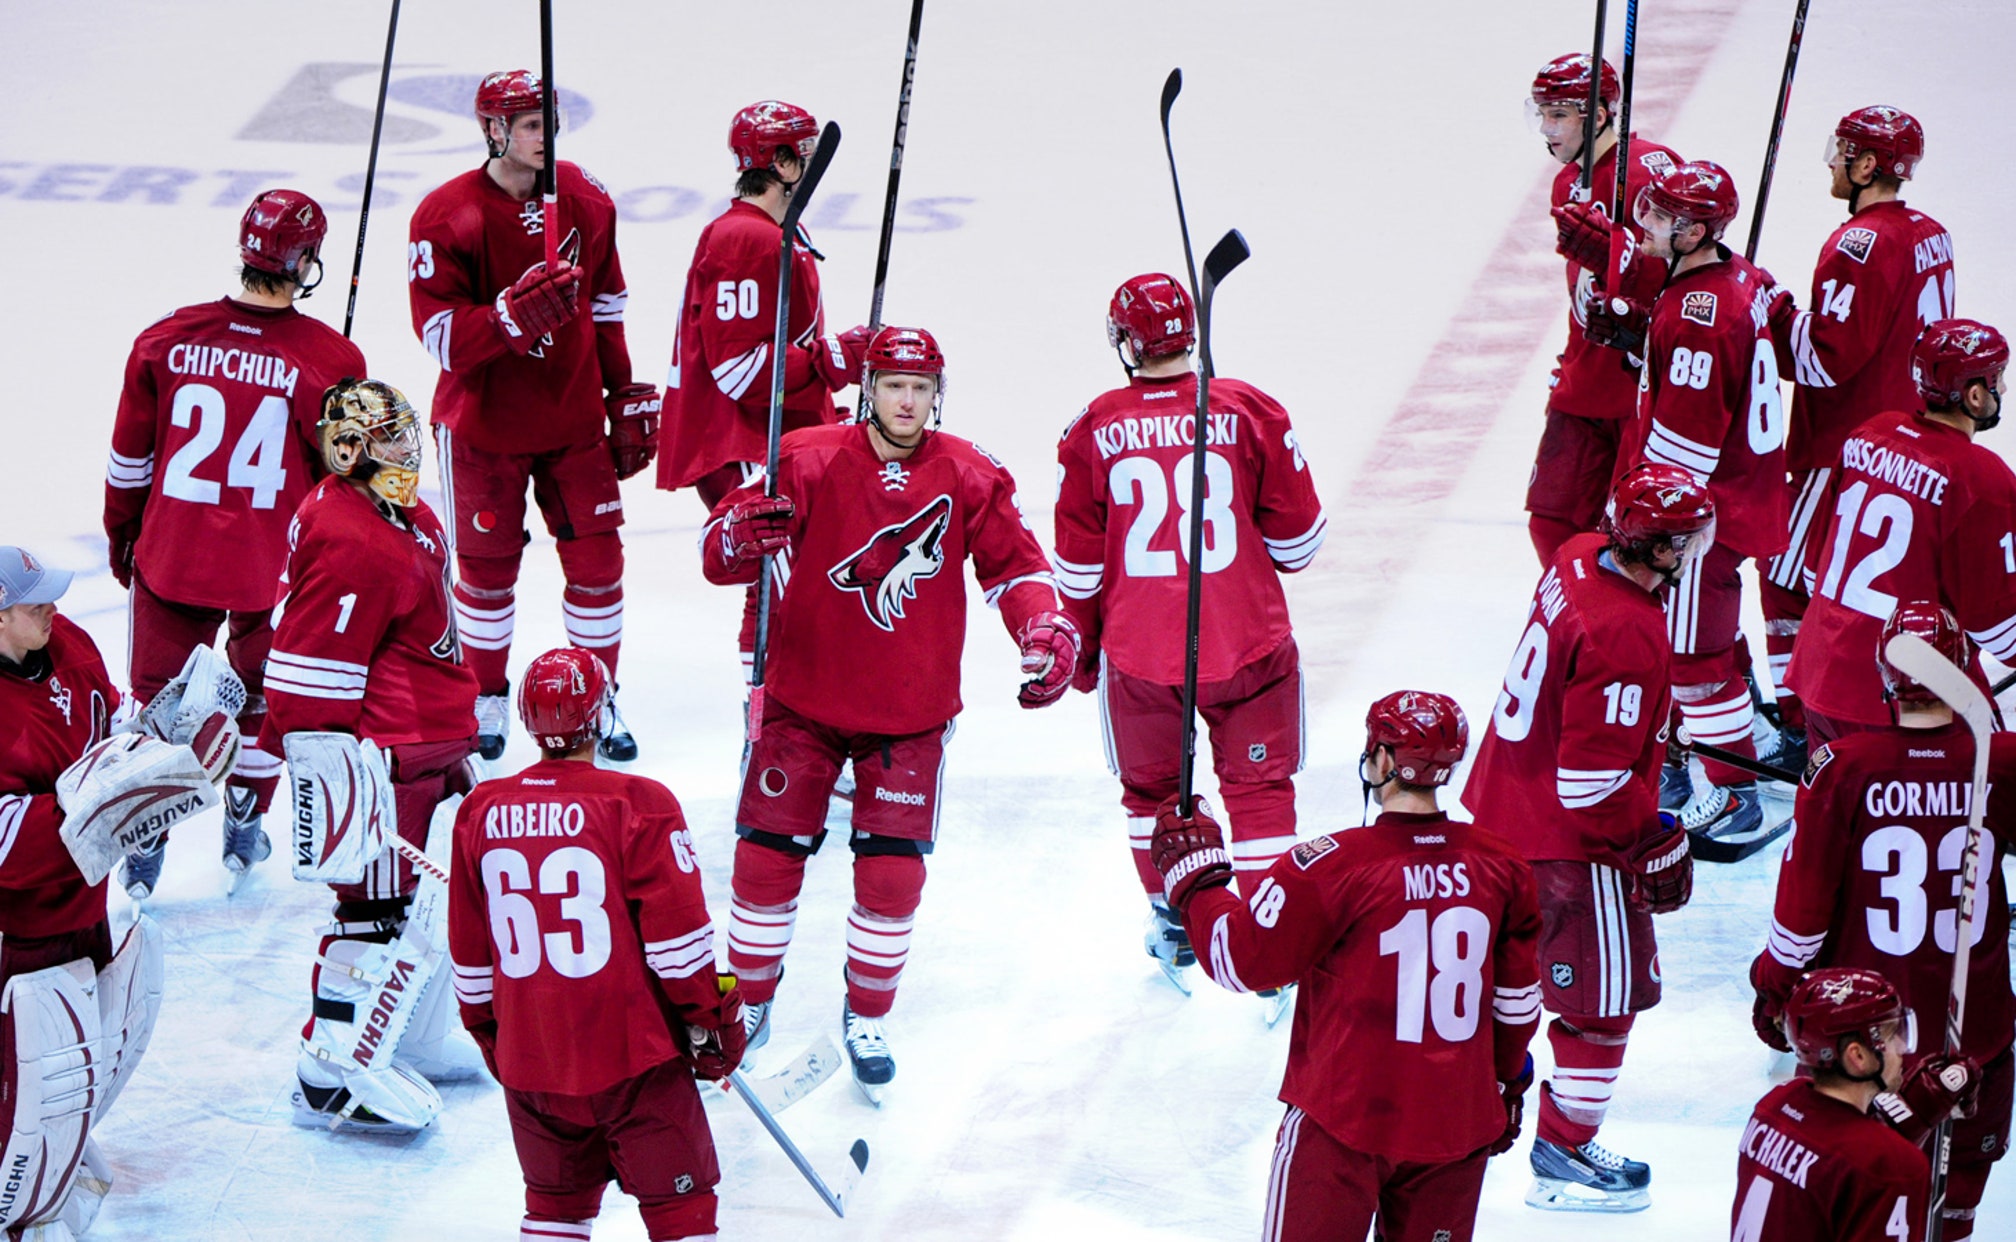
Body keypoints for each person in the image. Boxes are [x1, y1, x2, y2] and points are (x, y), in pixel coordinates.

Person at [701, 326, 1077, 1100]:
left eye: (920, 387)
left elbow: (1017, 570)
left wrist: (1044, 626)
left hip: (910, 714)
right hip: (803, 702)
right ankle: (750, 1002)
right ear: (868, 389)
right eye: (894, 385)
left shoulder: (969, 472)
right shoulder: (804, 456)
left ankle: (867, 1014)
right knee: (764, 860)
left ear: (937, 393)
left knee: (892, 876)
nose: (907, 401)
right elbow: (716, 554)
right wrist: (738, 534)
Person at [1149, 691, 1541, 1242]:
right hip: (1455, 1124)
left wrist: (1198, 881)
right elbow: (1517, 1003)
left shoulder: (1329, 867)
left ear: (1383, 759)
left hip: (1342, 1122)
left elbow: (1239, 961)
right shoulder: (1504, 864)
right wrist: (1505, 1083)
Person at [1052, 272, 1326, 994]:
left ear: (1125, 343)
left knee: (1153, 794)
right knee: (1260, 789)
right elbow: (1299, 546)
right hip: (1249, 642)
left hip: (1141, 652)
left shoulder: (1092, 427)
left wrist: (1083, 650)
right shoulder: (1248, 407)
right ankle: (1270, 945)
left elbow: (1078, 573)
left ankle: (1175, 927)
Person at [1461, 462, 1711, 1212]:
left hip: (1503, 805)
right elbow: (1591, 783)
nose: (1696, 550)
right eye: (1686, 540)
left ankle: (1470, 1120)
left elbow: (1579, 694)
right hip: (1568, 845)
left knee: (1505, 986)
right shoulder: (1625, 628)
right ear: (1658, 548)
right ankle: (1564, 1151)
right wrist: (1655, 837)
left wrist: (1653, 728)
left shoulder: (1578, 554)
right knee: (1602, 1002)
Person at [103, 188, 366, 899]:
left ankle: (145, 839)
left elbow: (130, 461)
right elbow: (342, 480)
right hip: (269, 567)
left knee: (156, 703)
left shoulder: (166, 338)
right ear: (305, 261)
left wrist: (123, 534)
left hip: (173, 556)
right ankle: (245, 817)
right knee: (263, 698)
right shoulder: (330, 358)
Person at [450, 647, 743, 1241]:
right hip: (634, 1062)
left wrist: (500, 1044)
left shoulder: (481, 809)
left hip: (532, 1062)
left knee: (555, 1212)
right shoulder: (638, 804)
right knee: (682, 1213)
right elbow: (679, 950)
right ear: (601, 714)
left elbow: (470, 957)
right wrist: (713, 1024)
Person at [408, 68, 654, 763]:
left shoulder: (586, 199)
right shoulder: (445, 215)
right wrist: (507, 320)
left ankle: (598, 693)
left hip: (572, 421)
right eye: (530, 125)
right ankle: (485, 693)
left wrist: (620, 392)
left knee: (599, 565)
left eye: (550, 121)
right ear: (493, 130)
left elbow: (606, 307)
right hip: (483, 427)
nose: (547, 136)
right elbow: (440, 338)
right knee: (487, 573)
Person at [262, 379, 484, 1132]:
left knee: (432, 906)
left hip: (429, 744)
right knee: (375, 913)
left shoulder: (403, 514)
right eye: (389, 438)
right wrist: (337, 781)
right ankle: (327, 1074)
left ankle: (409, 1040)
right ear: (348, 449)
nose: (406, 449)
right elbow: (305, 677)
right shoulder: (349, 539)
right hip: (389, 761)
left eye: (405, 432)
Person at [1752, 602, 2012, 1240]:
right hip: (1975, 1033)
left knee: (1862, 1211)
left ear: (1885, 677)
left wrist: (1775, 987)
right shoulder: (2002, 761)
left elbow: (1802, 916)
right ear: (1964, 670)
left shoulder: (1842, 766)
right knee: (1950, 1214)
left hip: (1863, 1044)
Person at [0, 548, 195, 1235]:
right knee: (25, 1067)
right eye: (34, 603)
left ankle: (58, 1148)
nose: (51, 609)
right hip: (18, 930)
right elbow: (6, 846)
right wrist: (103, 811)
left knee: (81, 1052)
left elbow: (112, 725)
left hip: (85, 902)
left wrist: (160, 754)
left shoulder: (71, 644)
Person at [1760, 106, 1956, 769]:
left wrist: (1770, 311)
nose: (1831, 162)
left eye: (1841, 151)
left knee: (1786, 576)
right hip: (1908, 438)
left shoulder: (1859, 243)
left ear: (1867, 165)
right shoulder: (1932, 233)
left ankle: (1801, 718)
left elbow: (1826, 357)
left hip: (1844, 444)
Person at [659, 100, 869, 680]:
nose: (814, 165)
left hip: (766, 439)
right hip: (743, 444)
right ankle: (772, 715)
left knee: (788, 582)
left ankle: (778, 712)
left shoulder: (771, 231)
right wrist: (832, 360)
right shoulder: (744, 238)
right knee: (784, 588)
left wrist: (821, 411)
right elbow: (739, 370)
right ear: (779, 162)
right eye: (804, 154)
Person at [1617, 159, 1789, 839]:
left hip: (1704, 518)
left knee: (1691, 658)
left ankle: (1734, 794)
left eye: (1663, 217)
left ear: (1694, 233)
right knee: (1707, 636)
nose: (1646, 224)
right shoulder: (1738, 277)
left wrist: (1645, 521)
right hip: (1745, 499)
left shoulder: (1699, 315)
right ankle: (1747, 746)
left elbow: (1682, 456)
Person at [1784, 320, 2016, 742]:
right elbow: (2003, 631)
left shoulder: (1868, 433)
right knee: (1995, 775)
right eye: (1997, 378)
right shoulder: (1981, 479)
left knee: (1838, 787)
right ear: (1974, 394)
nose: (2002, 388)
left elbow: (1815, 572)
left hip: (1820, 677)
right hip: (1909, 698)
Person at [1527, 53, 1681, 564]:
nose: (1546, 129)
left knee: (1629, 534)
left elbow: (1684, 272)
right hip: (1583, 377)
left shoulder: (1649, 172)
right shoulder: (1567, 182)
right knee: (1552, 523)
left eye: (1558, 115)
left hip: (1636, 385)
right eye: (1542, 114)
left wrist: (1626, 261)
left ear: (1595, 115)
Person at [1733, 967, 1977, 1242]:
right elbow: (1862, 1165)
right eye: (1892, 1035)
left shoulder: (1773, 1106)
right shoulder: (1896, 1168)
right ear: (1857, 1056)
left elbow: (1834, 1165)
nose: (1902, 1047)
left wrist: (1913, 1116)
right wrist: (1899, 1151)